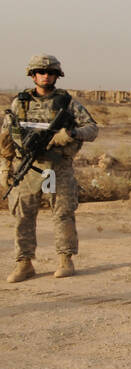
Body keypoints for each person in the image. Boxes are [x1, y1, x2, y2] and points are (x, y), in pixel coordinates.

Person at [3, 55, 98, 282]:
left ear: (57, 76)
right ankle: (24, 263)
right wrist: (5, 167)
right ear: (32, 75)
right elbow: (6, 137)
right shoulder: (20, 102)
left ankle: (65, 259)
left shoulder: (68, 103)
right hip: (27, 166)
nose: (46, 76)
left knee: (62, 212)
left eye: (50, 72)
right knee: (23, 215)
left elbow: (92, 129)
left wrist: (70, 134)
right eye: (41, 72)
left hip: (55, 168)